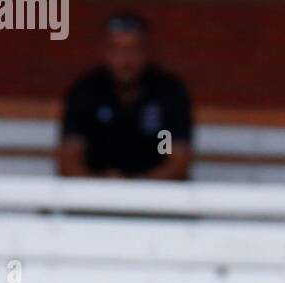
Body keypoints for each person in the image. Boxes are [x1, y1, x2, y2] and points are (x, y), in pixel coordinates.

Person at [57, 12, 193, 180]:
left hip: (154, 197)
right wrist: (101, 186)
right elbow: (69, 159)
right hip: (93, 198)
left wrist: (135, 187)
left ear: (147, 51)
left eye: (133, 49)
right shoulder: (86, 91)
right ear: (104, 51)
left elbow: (177, 162)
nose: (125, 60)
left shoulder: (168, 93)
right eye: (117, 49)